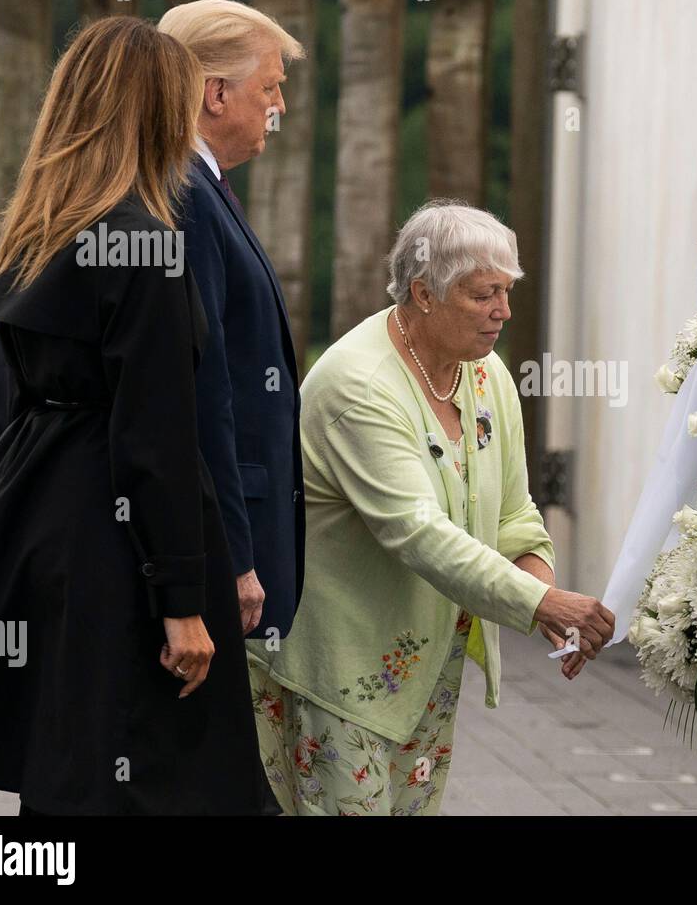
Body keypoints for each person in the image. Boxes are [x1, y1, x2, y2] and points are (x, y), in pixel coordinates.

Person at [0, 16, 278, 815]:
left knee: (67, 771)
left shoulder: (35, 234)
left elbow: (15, 402)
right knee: (153, 778)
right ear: (154, 109)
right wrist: (183, 604)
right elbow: (155, 436)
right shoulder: (144, 246)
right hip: (115, 550)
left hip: (28, 527)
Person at [249, 201, 614, 815]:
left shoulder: (486, 373)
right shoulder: (358, 385)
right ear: (422, 292)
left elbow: (515, 515)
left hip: (426, 667)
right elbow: (419, 533)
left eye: (506, 291)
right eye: (482, 296)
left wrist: (546, 597)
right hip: (340, 668)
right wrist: (542, 604)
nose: (503, 311)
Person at [157, 0, 307, 640]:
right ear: (216, 93)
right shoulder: (188, 194)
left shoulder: (201, 185)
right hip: (224, 527)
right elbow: (203, 383)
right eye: (270, 87)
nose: (280, 107)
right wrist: (236, 558)